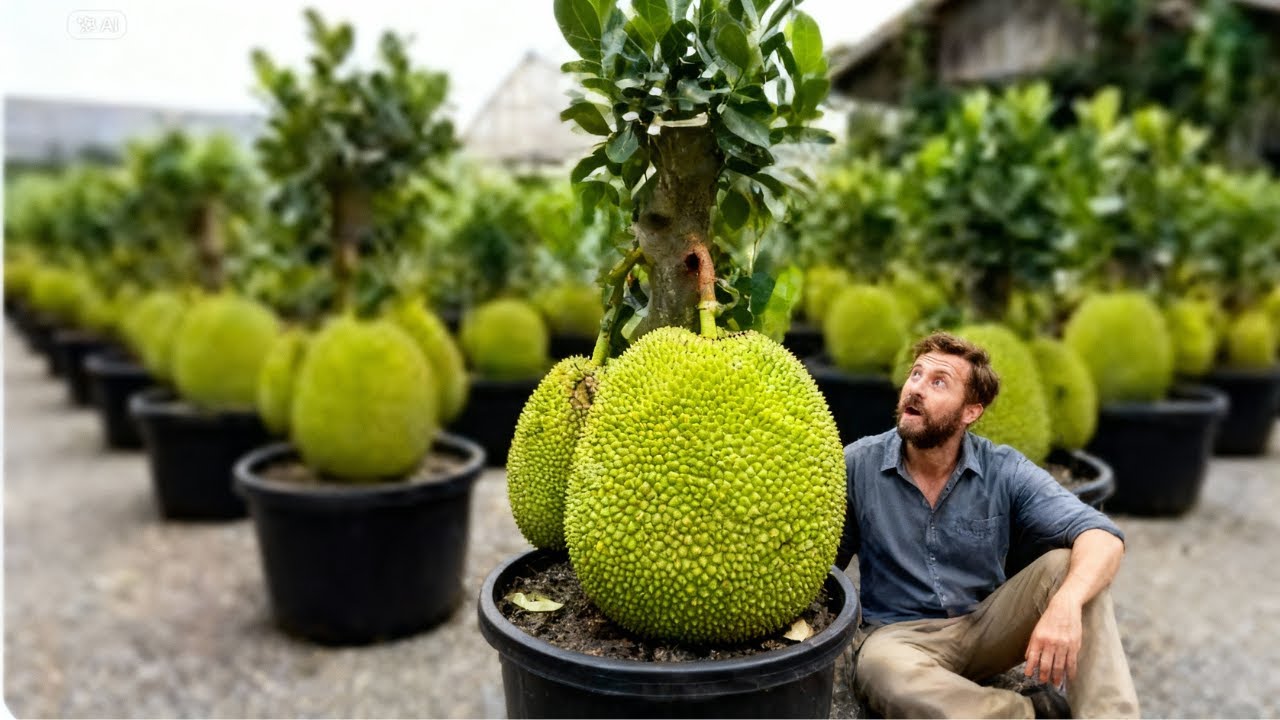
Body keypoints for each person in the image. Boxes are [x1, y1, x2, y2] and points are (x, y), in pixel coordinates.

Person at [836, 331, 1139, 719]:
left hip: (986, 625)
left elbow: (1104, 537)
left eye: (938, 382)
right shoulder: (858, 464)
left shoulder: (1003, 468)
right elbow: (823, 567)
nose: (916, 389)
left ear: (970, 412)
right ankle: (1028, 713)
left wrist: (1065, 603)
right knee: (880, 670)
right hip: (899, 639)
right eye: (915, 375)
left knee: (1069, 568)